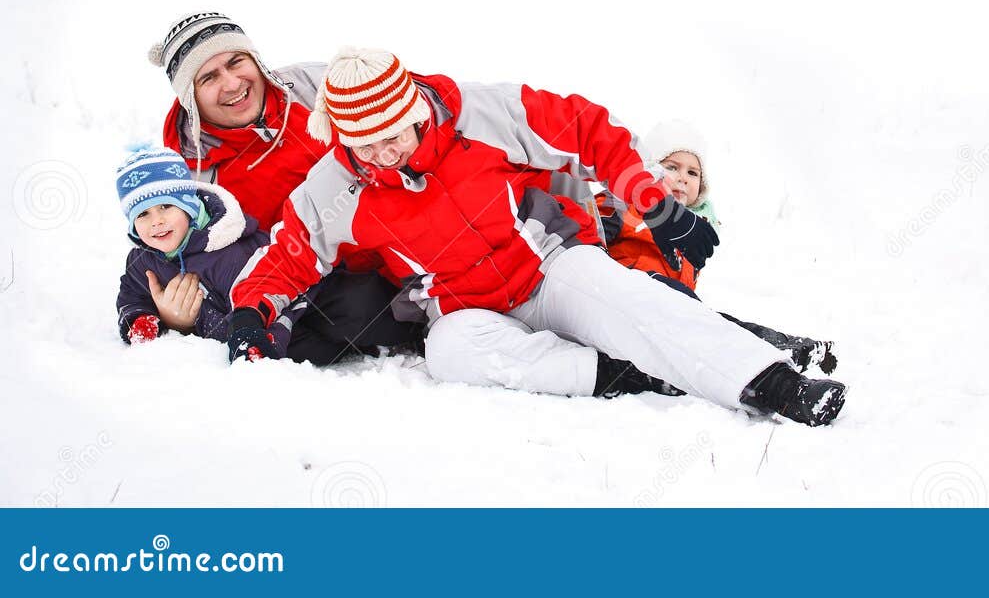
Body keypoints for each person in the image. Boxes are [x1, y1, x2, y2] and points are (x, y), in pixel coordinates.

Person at [227, 48, 847, 425]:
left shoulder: (479, 114)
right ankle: (615, 375)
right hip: (463, 307)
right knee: (450, 354)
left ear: (417, 112)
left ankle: (774, 383)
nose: (384, 155)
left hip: (546, 270)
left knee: (626, 296)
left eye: (395, 136)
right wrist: (251, 311)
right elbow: (290, 252)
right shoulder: (338, 183)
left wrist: (652, 203)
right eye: (365, 144)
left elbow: (582, 127)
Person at [148, 12, 424, 359]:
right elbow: (176, 251)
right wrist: (179, 318)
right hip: (309, 272)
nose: (232, 84)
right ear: (191, 97)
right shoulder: (191, 173)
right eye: (209, 78)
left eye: (237, 62)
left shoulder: (315, 87)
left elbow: (410, 105)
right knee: (355, 310)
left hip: (400, 227)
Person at [113, 147, 408, 363]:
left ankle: (410, 329)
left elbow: (275, 270)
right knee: (311, 352)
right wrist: (141, 321)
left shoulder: (226, 239)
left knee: (356, 307)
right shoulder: (144, 263)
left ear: (189, 206)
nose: (156, 222)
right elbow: (132, 297)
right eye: (143, 214)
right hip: (261, 334)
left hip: (299, 301)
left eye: (166, 207)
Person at [601, 121, 836, 374]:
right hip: (628, 299)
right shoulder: (624, 203)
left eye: (693, 173)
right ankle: (771, 352)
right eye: (671, 167)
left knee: (711, 322)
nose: (683, 177)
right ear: (649, 171)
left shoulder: (696, 232)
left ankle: (780, 351)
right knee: (700, 318)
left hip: (670, 314)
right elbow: (590, 241)